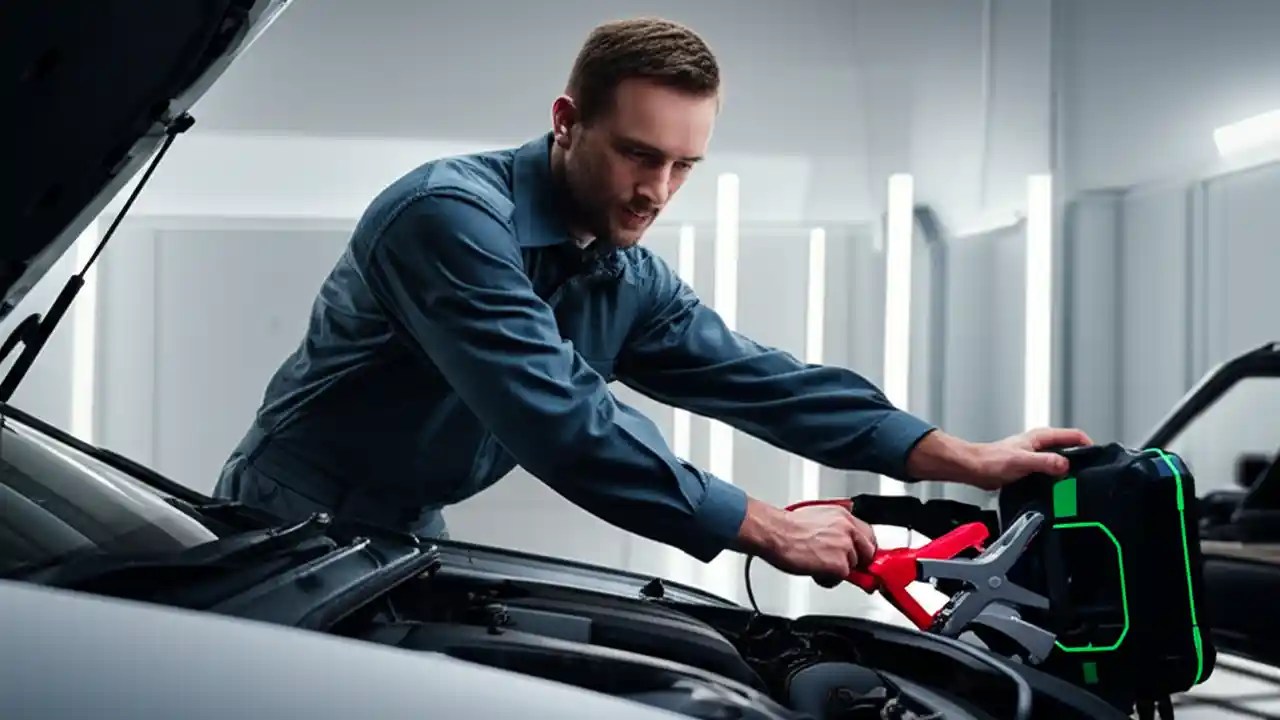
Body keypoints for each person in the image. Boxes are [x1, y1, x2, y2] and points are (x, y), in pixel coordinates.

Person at [215, 16, 1090, 586]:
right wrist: (767, 527)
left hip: (411, 519)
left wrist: (964, 457)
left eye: (683, 166)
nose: (658, 191)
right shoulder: (445, 218)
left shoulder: (623, 272)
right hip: (291, 517)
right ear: (566, 119)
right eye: (638, 155)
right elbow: (561, 419)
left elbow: (763, 380)